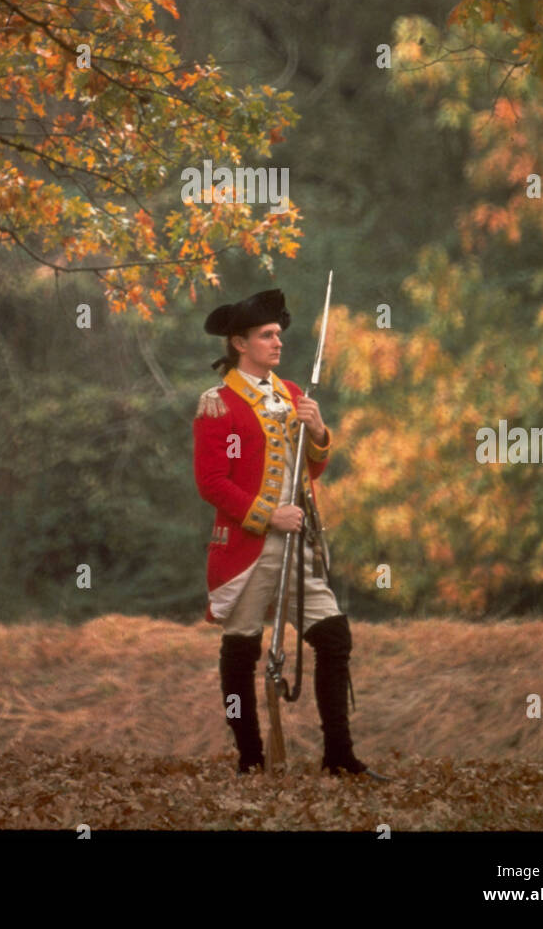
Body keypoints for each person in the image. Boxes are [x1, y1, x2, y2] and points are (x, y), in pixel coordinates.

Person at [193, 288, 384, 780]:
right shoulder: (219, 405)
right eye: (266, 335)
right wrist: (266, 515)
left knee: (335, 637)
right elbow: (211, 483)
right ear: (239, 342)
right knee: (240, 652)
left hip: (298, 545)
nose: (278, 342)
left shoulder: (295, 394)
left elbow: (312, 469)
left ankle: (338, 756)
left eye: (279, 334)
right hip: (248, 547)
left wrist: (319, 432)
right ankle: (250, 758)